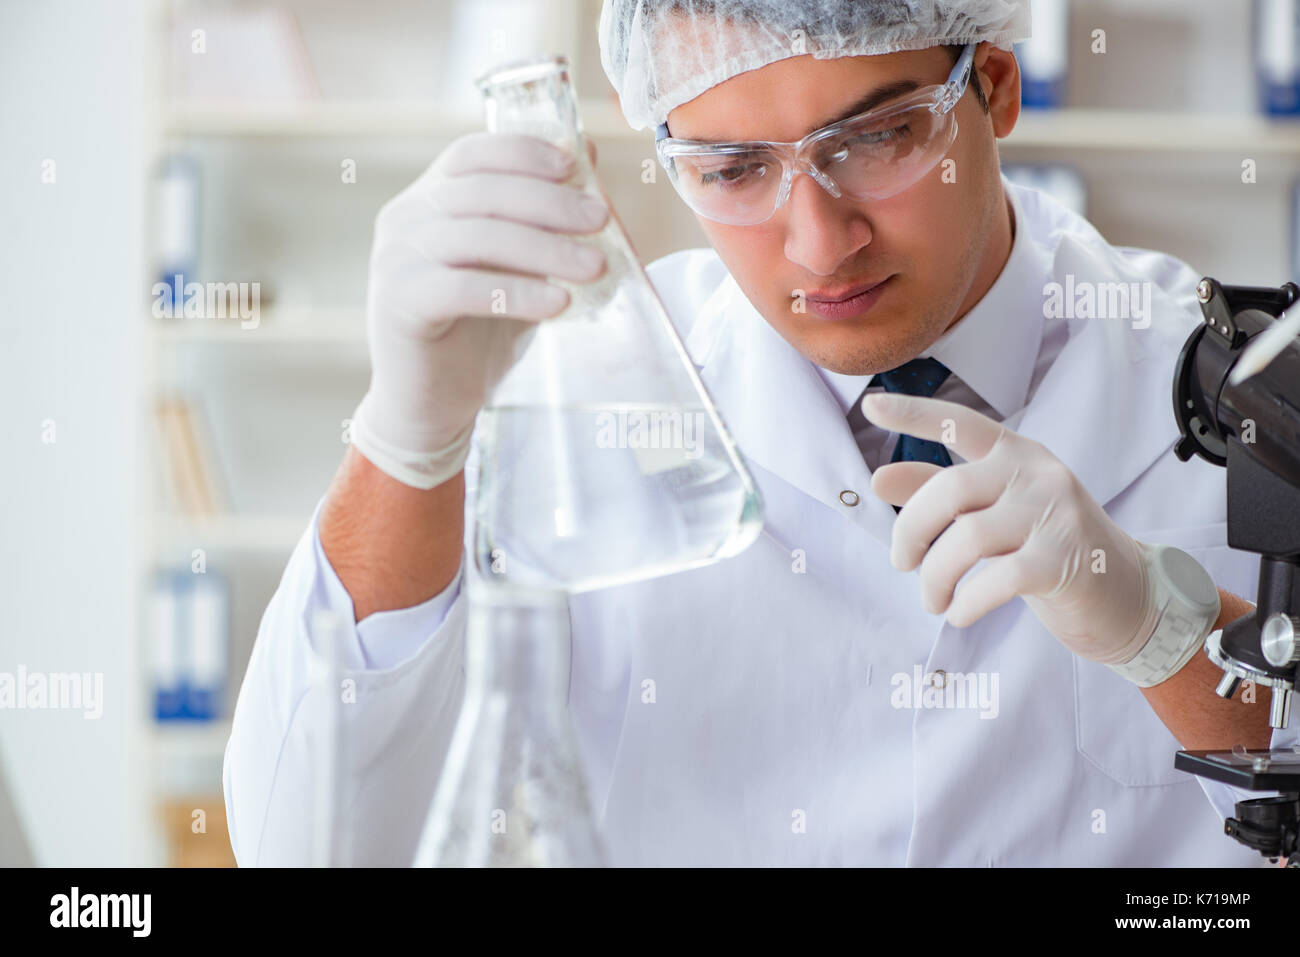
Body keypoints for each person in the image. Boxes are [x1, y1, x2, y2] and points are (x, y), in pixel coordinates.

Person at [223, 0, 1299, 866]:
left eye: (877, 137)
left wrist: (1166, 631)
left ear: (996, 87)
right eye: (733, 169)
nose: (819, 240)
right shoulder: (579, 405)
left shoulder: (1246, 394)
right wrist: (407, 441)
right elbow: (306, 841)